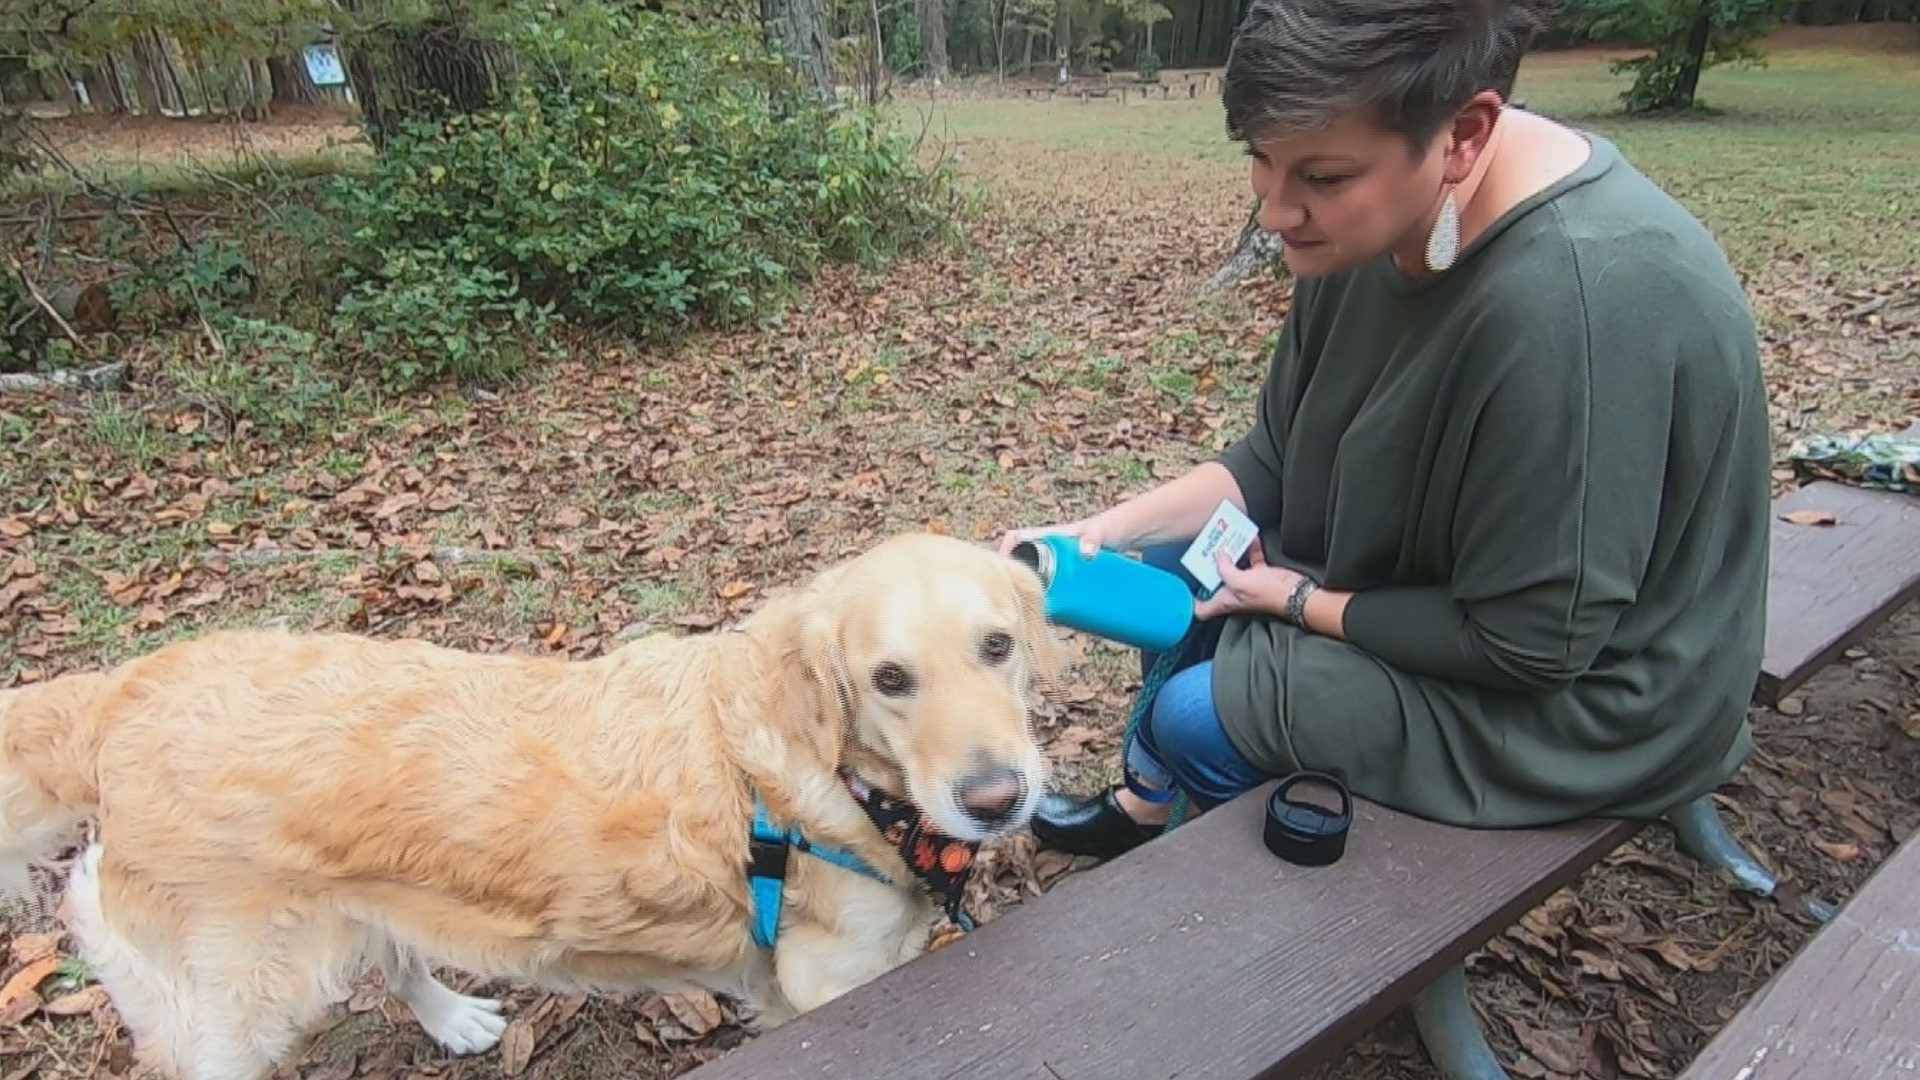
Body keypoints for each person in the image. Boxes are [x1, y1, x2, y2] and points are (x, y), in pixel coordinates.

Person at [999, 0, 1773, 859]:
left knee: (1197, 714)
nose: (1276, 213)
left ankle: (1267, 893)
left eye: (1322, 178)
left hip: (1584, 700)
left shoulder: (1577, 305)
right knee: (1164, 567)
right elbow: (1275, 460)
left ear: (1466, 133)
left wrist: (1299, 601)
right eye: (1262, 160)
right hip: (1432, 593)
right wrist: (1099, 530)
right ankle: (1157, 805)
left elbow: (1531, 644)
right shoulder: (1368, 223)